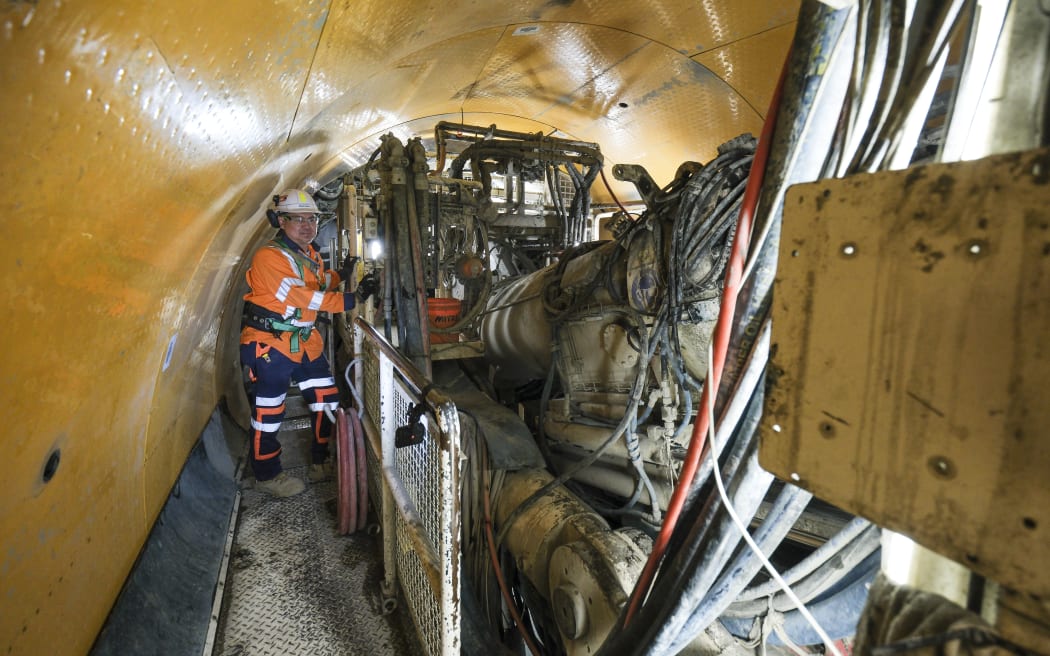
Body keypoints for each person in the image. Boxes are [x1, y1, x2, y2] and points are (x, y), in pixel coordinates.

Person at [239, 189, 377, 497]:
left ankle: (320, 460)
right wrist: (351, 299)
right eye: (298, 219)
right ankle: (267, 476)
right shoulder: (269, 257)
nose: (307, 226)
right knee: (269, 412)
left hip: (303, 341)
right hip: (270, 343)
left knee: (327, 401)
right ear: (281, 221)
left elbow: (319, 281)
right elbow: (302, 297)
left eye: (312, 219)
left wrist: (343, 273)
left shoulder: (308, 255)